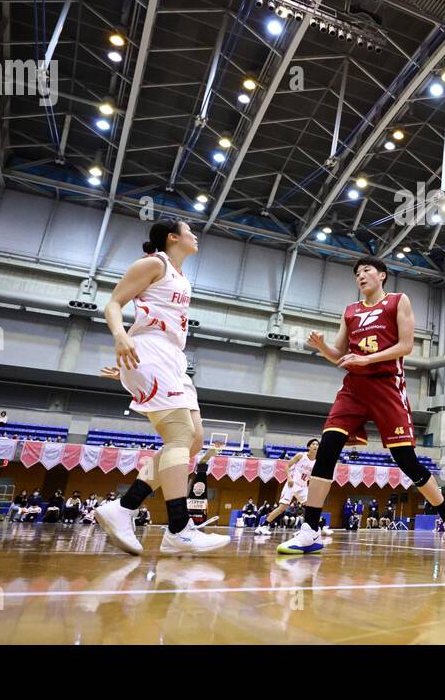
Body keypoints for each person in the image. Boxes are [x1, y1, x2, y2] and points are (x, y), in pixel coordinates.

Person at [278, 258, 445, 555]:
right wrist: (323, 347)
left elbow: (406, 346)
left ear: (381, 275)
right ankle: (310, 530)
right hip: (353, 389)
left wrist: (366, 359)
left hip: (387, 386)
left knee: (406, 460)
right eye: (356, 273)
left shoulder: (397, 301)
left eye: (366, 271)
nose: (360, 276)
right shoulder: (350, 312)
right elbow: (341, 354)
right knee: (326, 450)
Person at [94, 220, 230, 556]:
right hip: (150, 350)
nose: (194, 236)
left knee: (194, 440)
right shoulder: (154, 263)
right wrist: (121, 335)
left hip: (172, 358)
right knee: (179, 437)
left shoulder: (181, 277)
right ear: (172, 237)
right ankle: (179, 527)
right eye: (189, 231)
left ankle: (125, 507)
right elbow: (113, 303)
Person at [257, 440, 320, 534]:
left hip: (303, 487)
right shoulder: (301, 456)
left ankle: (306, 530)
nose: (315, 446)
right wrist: (289, 478)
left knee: (312, 507)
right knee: (282, 508)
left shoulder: (317, 462)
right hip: (292, 484)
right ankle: (263, 526)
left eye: (317, 444)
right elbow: (287, 465)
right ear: (308, 447)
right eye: (313, 444)